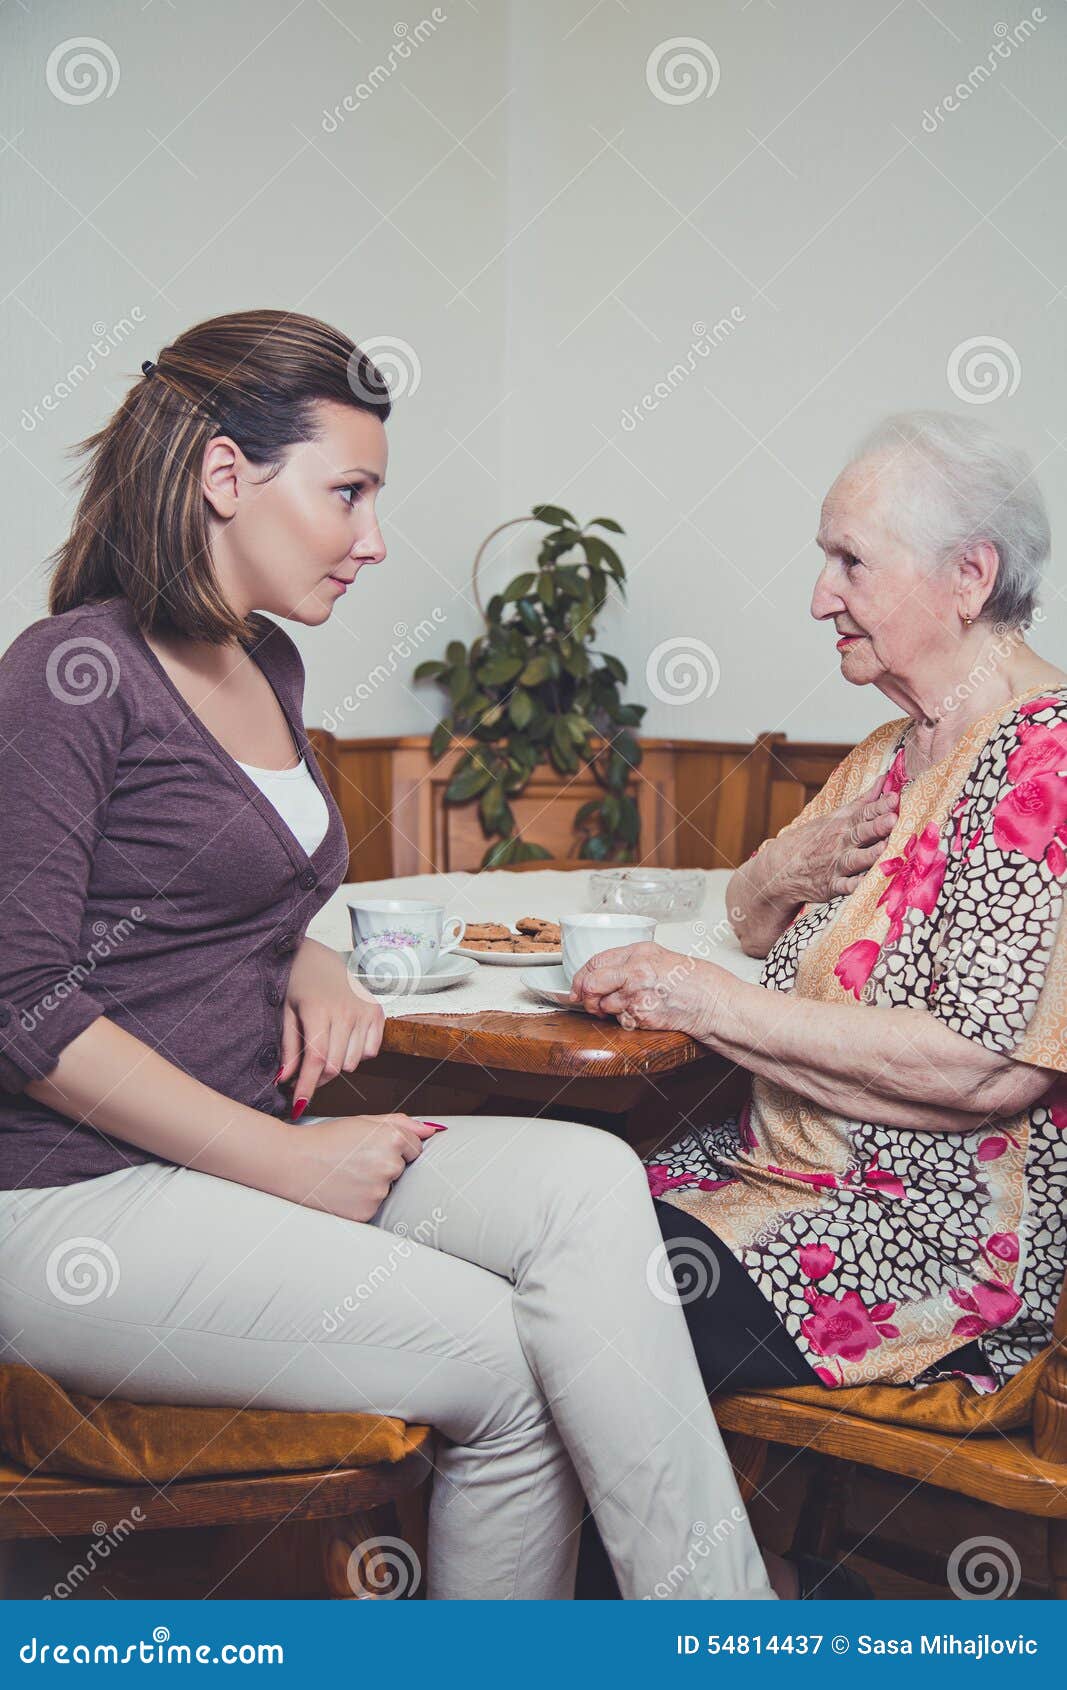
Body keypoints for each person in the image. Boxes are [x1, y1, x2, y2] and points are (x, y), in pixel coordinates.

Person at [0, 309, 782, 1602]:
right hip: (70, 1200)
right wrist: (285, 1161)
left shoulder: (265, 659)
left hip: (243, 1150)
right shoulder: (71, 673)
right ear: (222, 476)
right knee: (507, 1358)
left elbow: (244, 886)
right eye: (347, 491)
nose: (371, 538)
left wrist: (306, 958)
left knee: (591, 1178)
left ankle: (718, 1633)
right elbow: (23, 1003)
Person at [571, 411, 1067, 1598]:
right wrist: (764, 883)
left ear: (967, 576)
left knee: (582, 1322)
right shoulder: (891, 752)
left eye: (849, 561)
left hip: (928, 1235)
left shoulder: (1041, 766)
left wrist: (704, 1002)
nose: (815, 596)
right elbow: (763, 929)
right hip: (768, 1174)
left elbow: (982, 1070)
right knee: (544, 1224)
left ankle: (684, 1629)